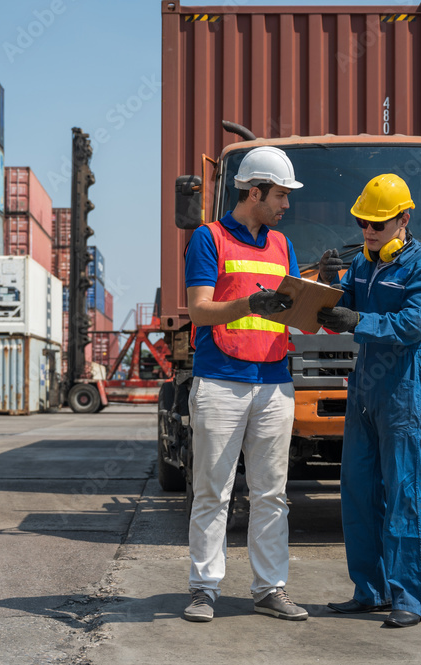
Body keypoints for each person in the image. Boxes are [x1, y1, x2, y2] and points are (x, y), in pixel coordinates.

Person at [316, 173, 421, 628]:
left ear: (403, 220)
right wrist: (328, 284)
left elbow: (413, 325)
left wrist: (356, 318)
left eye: (377, 224)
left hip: (406, 387)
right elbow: (340, 314)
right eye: (362, 223)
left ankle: (408, 597)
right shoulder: (362, 263)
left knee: (403, 495)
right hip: (366, 389)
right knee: (357, 492)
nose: (368, 232)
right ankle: (369, 591)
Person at [181, 146, 308, 623]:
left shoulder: (282, 245)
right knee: (213, 490)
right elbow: (199, 310)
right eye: (280, 195)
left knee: (272, 492)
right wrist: (250, 305)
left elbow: (295, 310)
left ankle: (270, 588)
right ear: (254, 192)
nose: (285, 205)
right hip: (221, 380)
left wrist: (323, 296)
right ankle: (204, 588)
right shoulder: (207, 238)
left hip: (275, 381)